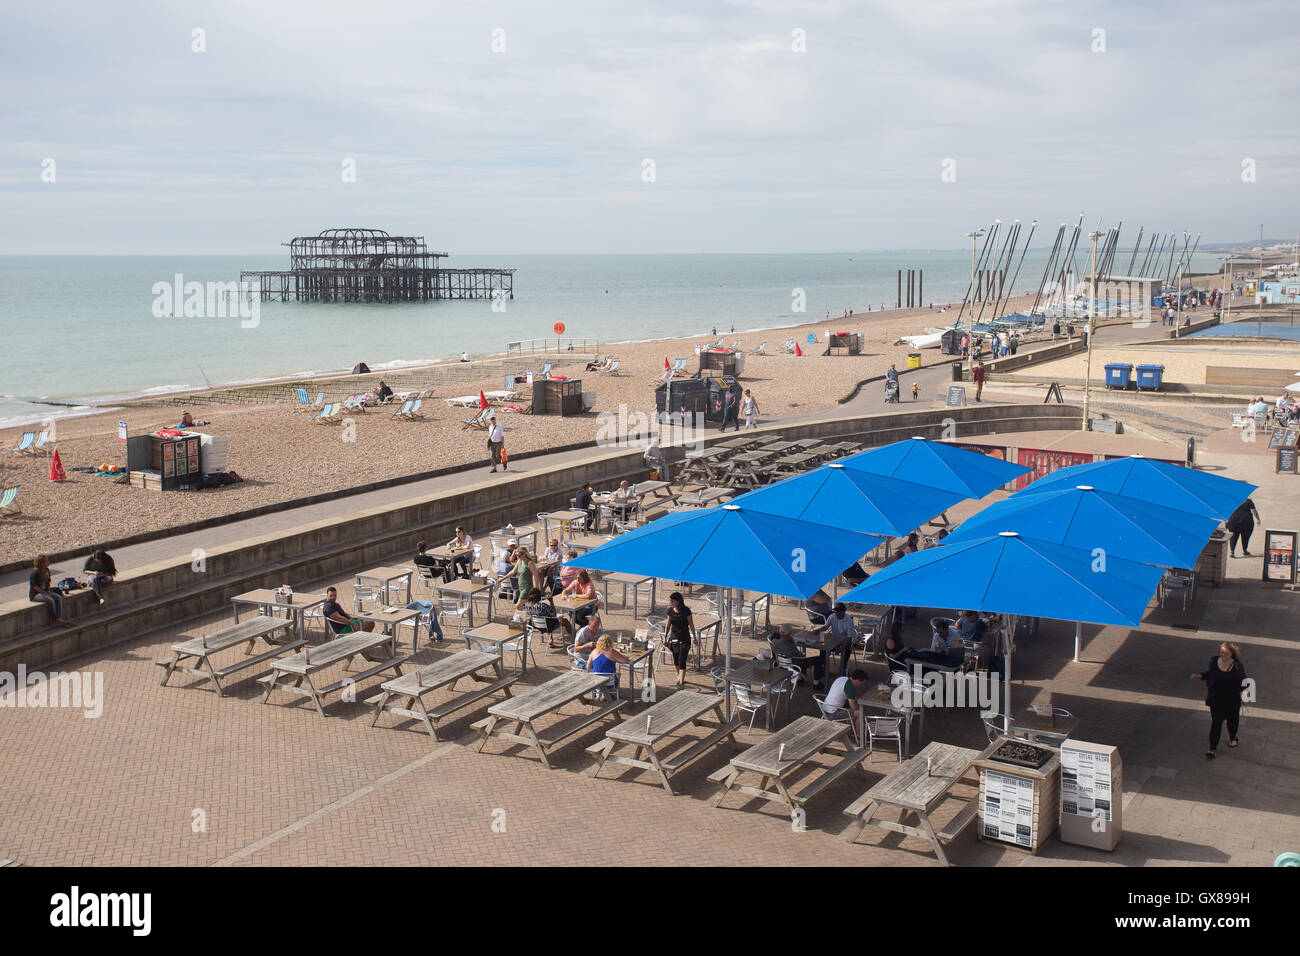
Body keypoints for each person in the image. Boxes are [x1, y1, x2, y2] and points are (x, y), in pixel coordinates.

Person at [1192, 643, 1247, 758]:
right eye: (1221, 652)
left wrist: (1235, 690)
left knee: (1232, 720)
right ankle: (1212, 749)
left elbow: (1245, 682)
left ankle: (1233, 737)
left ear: (1231, 653)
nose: (1223, 655)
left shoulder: (1237, 666)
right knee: (1216, 723)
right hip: (1216, 699)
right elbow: (1211, 673)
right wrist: (1200, 676)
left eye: (1226, 653)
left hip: (1232, 699)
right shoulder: (1214, 661)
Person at [816, 602, 858, 679]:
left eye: (838, 611)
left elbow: (850, 638)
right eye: (836, 611)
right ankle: (824, 669)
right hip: (834, 640)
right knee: (823, 649)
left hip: (846, 641)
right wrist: (816, 630)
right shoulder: (832, 616)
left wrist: (842, 647)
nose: (836, 613)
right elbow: (825, 627)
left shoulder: (849, 621)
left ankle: (843, 670)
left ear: (843, 612)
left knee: (846, 651)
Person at [664, 591, 696, 688]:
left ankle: (681, 683)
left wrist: (694, 637)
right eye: (670, 601)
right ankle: (679, 675)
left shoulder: (686, 611)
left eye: (672, 601)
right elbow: (668, 625)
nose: (671, 602)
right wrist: (665, 638)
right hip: (674, 638)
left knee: (682, 660)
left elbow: (691, 624)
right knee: (676, 660)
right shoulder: (670, 611)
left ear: (678, 601)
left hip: (685, 638)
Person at [30, 555, 73, 626]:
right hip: (36, 594)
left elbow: (48, 582)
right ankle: (54, 618)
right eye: (46, 561)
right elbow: (35, 587)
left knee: (58, 597)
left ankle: (59, 617)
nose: (48, 562)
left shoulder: (47, 570)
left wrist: (49, 591)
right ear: (42, 563)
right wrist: (46, 593)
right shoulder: (35, 573)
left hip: (45, 592)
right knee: (51, 600)